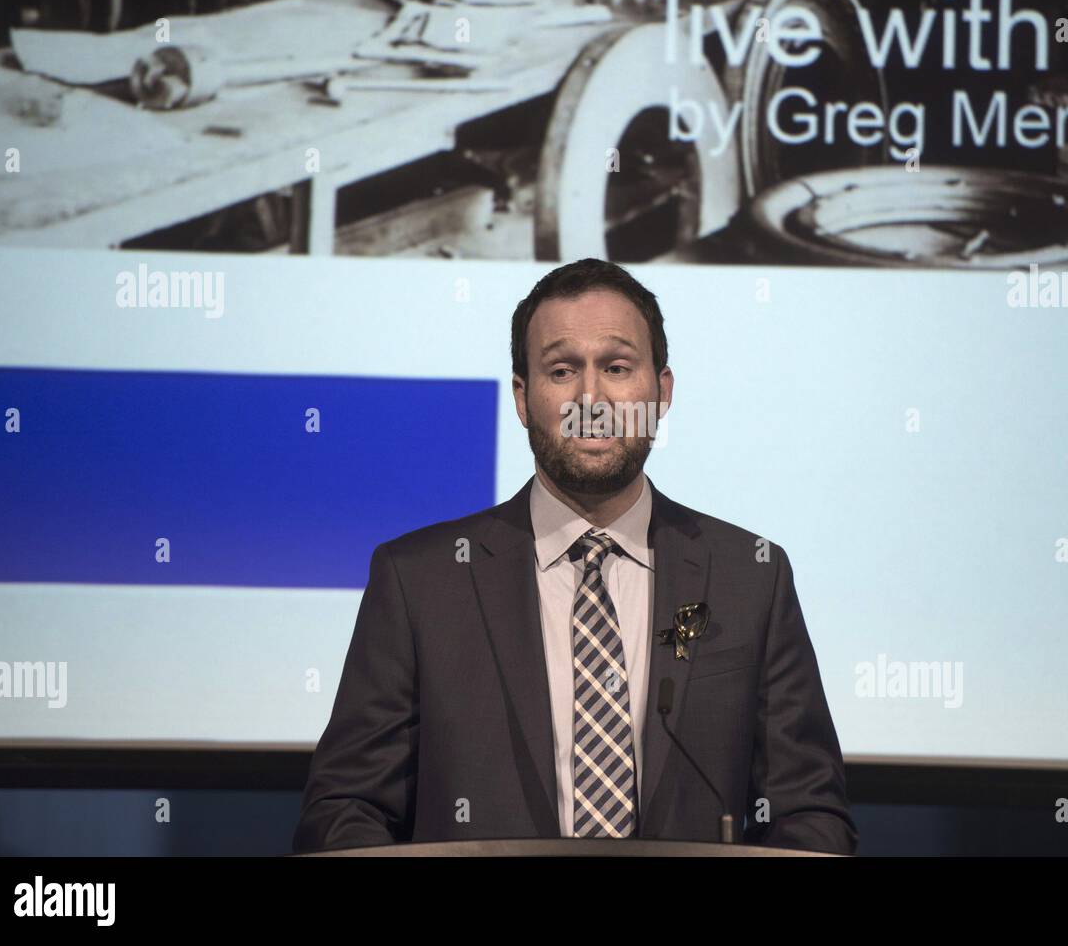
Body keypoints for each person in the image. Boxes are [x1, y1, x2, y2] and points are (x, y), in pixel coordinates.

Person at [293, 258, 857, 854]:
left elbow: (808, 814)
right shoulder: (420, 581)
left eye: (617, 367)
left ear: (661, 393)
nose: (590, 397)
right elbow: (345, 811)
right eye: (562, 371)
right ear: (522, 397)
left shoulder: (751, 576)